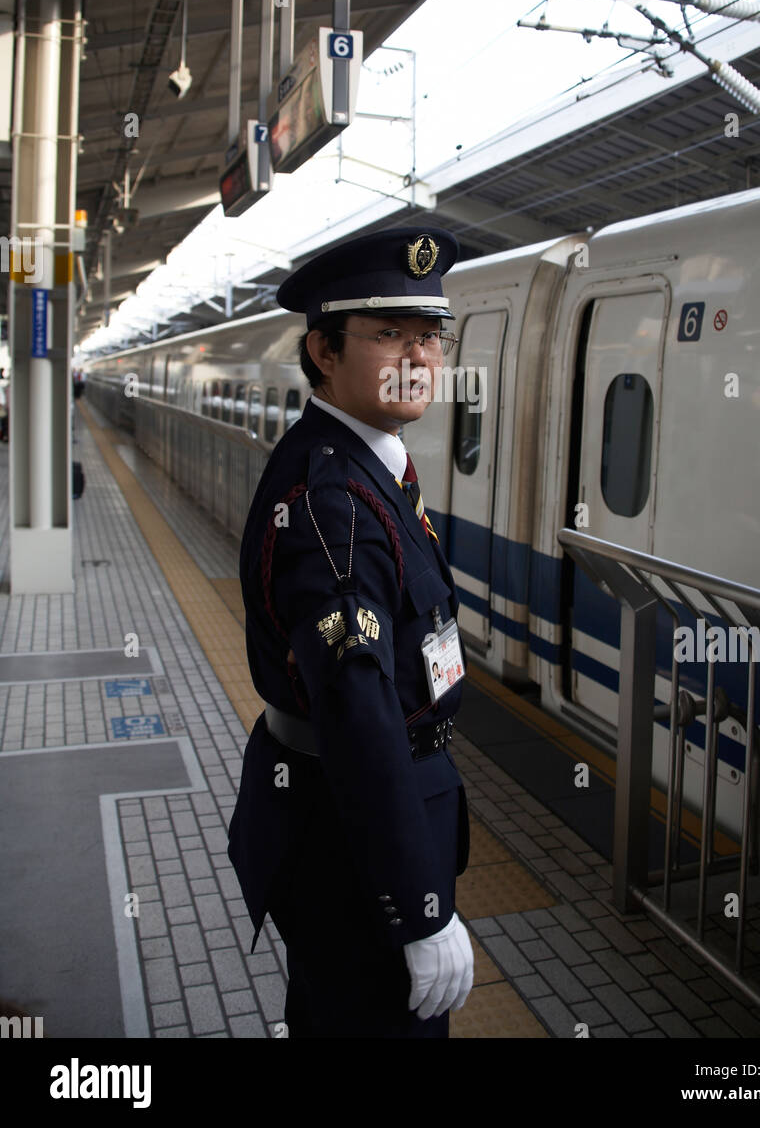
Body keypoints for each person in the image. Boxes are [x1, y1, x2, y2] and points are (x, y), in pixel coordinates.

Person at [228, 227, 474, 1039]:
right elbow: (358, 708)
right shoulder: (332, 499)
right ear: (323, 351)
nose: (418, 355)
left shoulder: (372, 464)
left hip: (349, 827)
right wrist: (421, 910)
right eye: (388, 334)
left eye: (430, 335)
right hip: (353, 848)